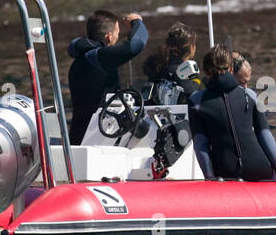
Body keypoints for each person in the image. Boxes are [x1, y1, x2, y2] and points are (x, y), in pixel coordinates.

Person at [188, 45, 276, 183]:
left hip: (225, 172)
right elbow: (264, 134)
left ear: (206, 72)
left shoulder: (196, 101)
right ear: (231, 68)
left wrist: (210, 178)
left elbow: (201, 144)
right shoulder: (250, 95)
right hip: (259, 168)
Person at [68, 9, 148, 143]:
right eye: (117, 33)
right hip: (94, 138)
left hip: (78, 135)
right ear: (109, 37)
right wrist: (137, 22)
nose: (117, 39)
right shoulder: (99, 57)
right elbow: (136, 45)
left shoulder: (82, 58)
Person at [142, 22, 202, 105]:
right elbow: (196, 97)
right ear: (191, 47)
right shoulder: (183, 73)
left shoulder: (158, 67)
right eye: (194, 44)